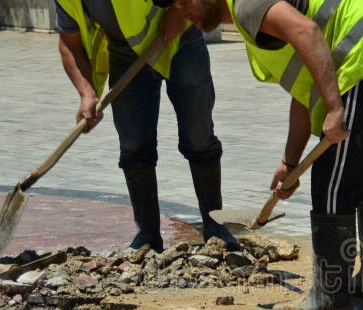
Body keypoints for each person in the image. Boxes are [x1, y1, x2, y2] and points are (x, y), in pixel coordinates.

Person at [175, 0, 363, 310]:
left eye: (184, 1)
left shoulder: (247, 6)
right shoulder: (251, 13)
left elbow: (307, 31)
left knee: (332, 185)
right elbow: (305, 88)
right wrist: (290, 163)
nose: (182, 12)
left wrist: (334, 108)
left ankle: (329, 293)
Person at [55, 0, 238, 252]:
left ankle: (216, 227)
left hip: (180, 39)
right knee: (134, 144)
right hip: (126, 53)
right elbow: (69, 41)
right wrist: (87, 93)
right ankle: (148, 236)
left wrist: (177, 11)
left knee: (199, 136)